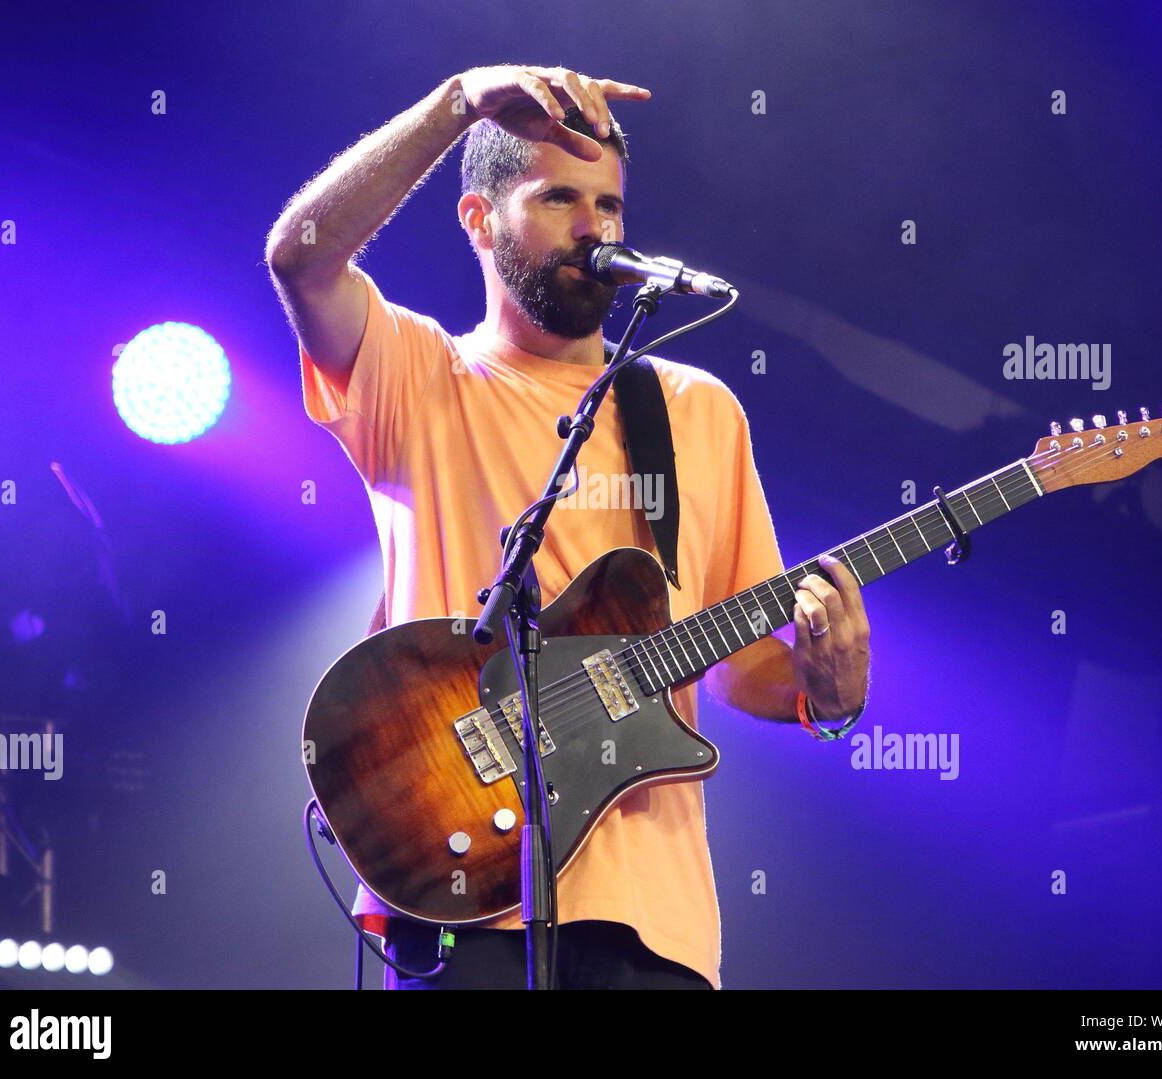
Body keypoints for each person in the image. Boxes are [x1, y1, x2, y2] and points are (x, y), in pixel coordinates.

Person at [266, 65, 871, 989]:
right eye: (559, 198)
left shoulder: (696, 411)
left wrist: (827, 696)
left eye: (610, 206)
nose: (595, 228)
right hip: (458, 884)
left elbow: (745, 664)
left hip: (652, 926)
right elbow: (301, 257)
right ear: (478, 220)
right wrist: (455, 103)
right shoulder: (418, 377)